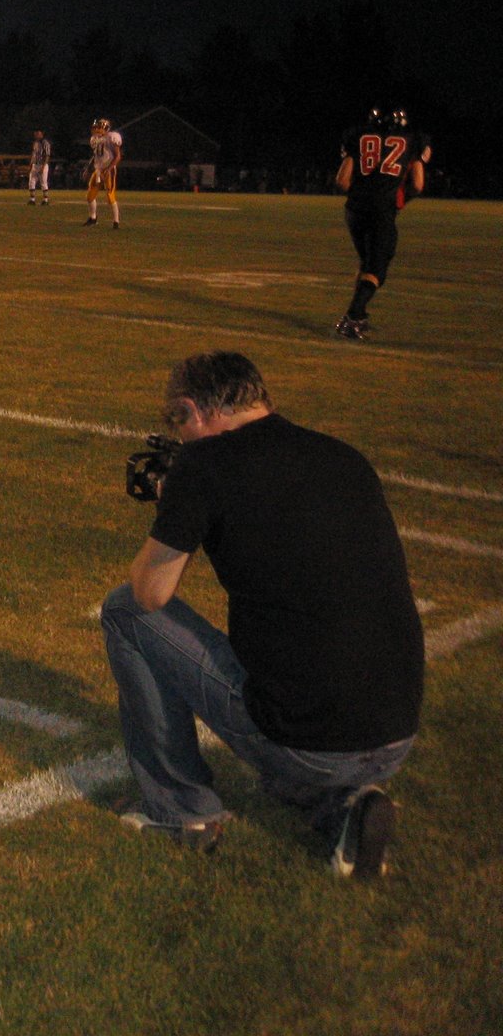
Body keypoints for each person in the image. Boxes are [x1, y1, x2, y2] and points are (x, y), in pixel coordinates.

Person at [99, 352, 422, 877]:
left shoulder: (204, 466)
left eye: (176, 422)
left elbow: (149, 592)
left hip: (307, 736)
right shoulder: (343, 456)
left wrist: (176, 502)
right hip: (396, 727)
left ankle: (182, 812)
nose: (178, 436)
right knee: (286, 762)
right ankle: (347, 810)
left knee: (123, 611)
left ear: (192, 410)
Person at [332, 107, 431, 341]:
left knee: (367, 263)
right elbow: (417, 185)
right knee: (376, 268)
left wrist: (363, 192)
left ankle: (359, 315)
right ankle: (353, 318)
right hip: (382, 210)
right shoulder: (412, 140)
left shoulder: (357, 137)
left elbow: (342, 182)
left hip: (354, 210)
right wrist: (398, 200)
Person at [84, 118, 123, 228]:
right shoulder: (94, 139)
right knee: (90, 195)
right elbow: (96, 156)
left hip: (108, 170)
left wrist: (109, 168)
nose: (96, 129)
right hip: (98, 169)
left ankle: (116, 222)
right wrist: (88, 168)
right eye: (97, 127)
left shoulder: (111, 137)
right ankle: (93, 218)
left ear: (105, 128)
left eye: (99, 127)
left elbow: (118, 156)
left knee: (110, 196)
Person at [28, 129, 52, 205]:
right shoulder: (35, 143)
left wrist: (43, 166)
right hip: (35, 164)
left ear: (42, 134)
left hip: (42, 164)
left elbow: (47, 156)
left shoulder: (45, 143)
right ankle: (32, 199)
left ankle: (45, 200)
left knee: (43, 182)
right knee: (31, 181)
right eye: (36, 133)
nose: (36, 135)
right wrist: (31, 164)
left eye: (38, 133)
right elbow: (34, 154)